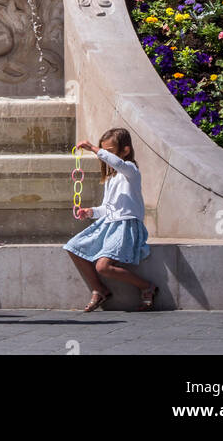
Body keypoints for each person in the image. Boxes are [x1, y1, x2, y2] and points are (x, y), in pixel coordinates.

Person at [63, 127, 158, 311]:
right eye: (104, 151)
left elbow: (117, 163)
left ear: (125, 151)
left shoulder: (130, 171)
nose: (105, 156)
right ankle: (99, 289)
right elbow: (107, 208)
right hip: (108, 224)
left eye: (110, 152)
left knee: (103, 267)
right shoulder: (111, 178)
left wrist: (94, 148)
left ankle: (146, 286)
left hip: (125, 224)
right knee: (73, 246)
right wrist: (90, 212)